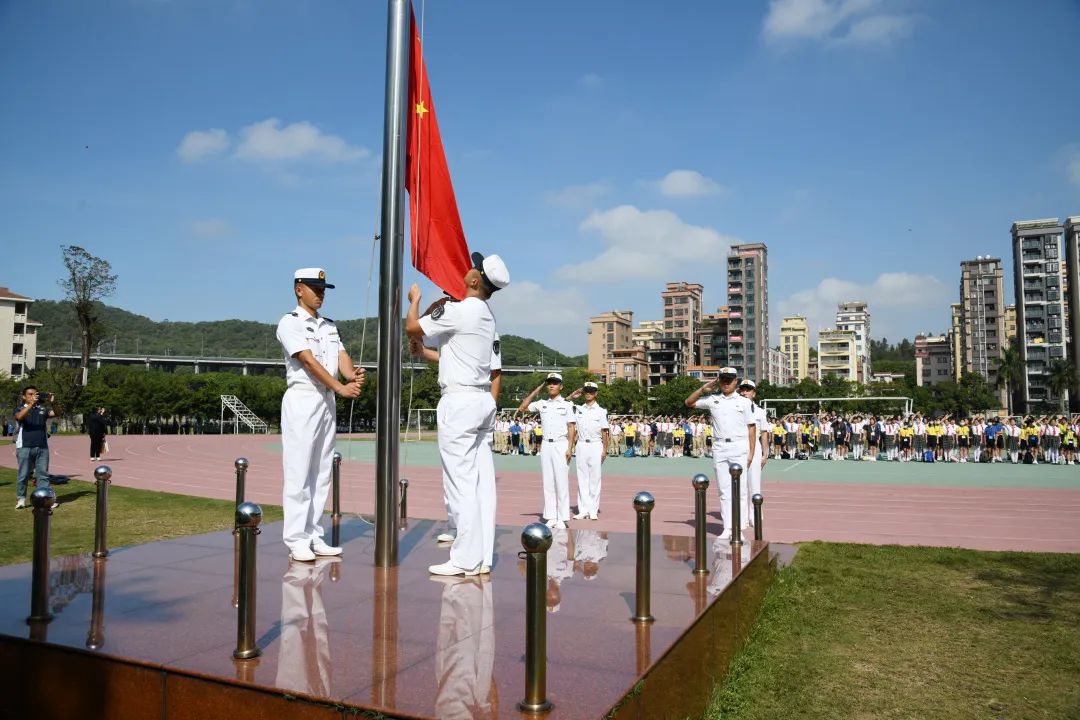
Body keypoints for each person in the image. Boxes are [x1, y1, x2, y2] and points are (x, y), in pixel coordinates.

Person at [407, 252, 510, 576]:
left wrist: (416, 300)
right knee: (480, 484)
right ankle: (481, 556)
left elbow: (412, 326)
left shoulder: (460, 311)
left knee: (461, 483)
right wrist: (424, 351)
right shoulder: (485, 315)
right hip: (479, 401)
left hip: (460, 404)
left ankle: (464, 558)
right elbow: (458, 355)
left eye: (471, 267)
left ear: (475, 280)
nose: (465, 268)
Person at [276, 268, 364, 563]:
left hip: (326, 401)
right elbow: (308, 361)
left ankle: (314, 533)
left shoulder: (329, 325)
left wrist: (351, 375)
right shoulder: (290, 323)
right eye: (315, 287)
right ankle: (296, 538)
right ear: (299, 289)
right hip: (303, 399)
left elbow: (341, 355)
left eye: (324, 288)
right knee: (299, 471)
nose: (321, 292)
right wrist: (340, 387)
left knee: (321, 471)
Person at [685, 367, 756, 541]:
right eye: (723, 379)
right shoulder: (712, 399)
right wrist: (703, 388)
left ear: (735, 382)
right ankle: (727, 527)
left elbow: (751, 428)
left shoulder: (745, 402)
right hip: (719, 447)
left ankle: (738, 529)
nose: (726, 382)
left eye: (729, 379)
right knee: (724, 490)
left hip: (739, 446)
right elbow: (689, 403)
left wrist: (751, 453)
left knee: (739, 490)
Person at [519, 372, 577, 529]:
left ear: (561, 386)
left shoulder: (567, 405)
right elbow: (523, 407)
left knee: (561, 481)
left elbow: (571, 427)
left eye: (555, 382)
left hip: (561, 444)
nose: (552, 385)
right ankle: (550, 516)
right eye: (549, 382)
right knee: (548, 482)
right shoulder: (541, 403)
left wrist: (570, 448)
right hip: (546, 445)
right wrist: (535, 392)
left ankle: (562, 517)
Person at [567, 381, 610, 520]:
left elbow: (605, 432)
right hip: (581, 445)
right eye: (586, 391)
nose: (588, 393)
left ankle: (593, 509)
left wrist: (605, 450)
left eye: (591, 391)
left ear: (596, 393)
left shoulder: (601, 411)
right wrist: (572, 396)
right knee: (582, 478)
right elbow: (563, 405)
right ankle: (583, 509)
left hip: (595, 445)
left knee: (595, 479)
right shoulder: (578, 408)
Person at [13, 386, 59, 510]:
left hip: (42, 446)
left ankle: (44, 499)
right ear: (24, 396)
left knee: (43, 474)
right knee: (23, 475)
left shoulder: (42, 409)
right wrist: (30, 405)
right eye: (30, 394)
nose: (33, 396)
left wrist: (53, 403)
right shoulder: (20, 408)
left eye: (35, 394)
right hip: (24, 446)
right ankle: (21, 499)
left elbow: (57, 413)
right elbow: (19, 417)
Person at [736, 379, 769, 517]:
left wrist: (765, 454)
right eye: (742, 389)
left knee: (754, 482)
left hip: (754, 446)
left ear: (754, 393)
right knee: (739, 484)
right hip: (738, 446)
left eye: (748, 390)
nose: (744, 392)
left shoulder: (760, 411)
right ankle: (741, 516)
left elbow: (764, 433)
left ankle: (755, 514)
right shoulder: (735, 409)